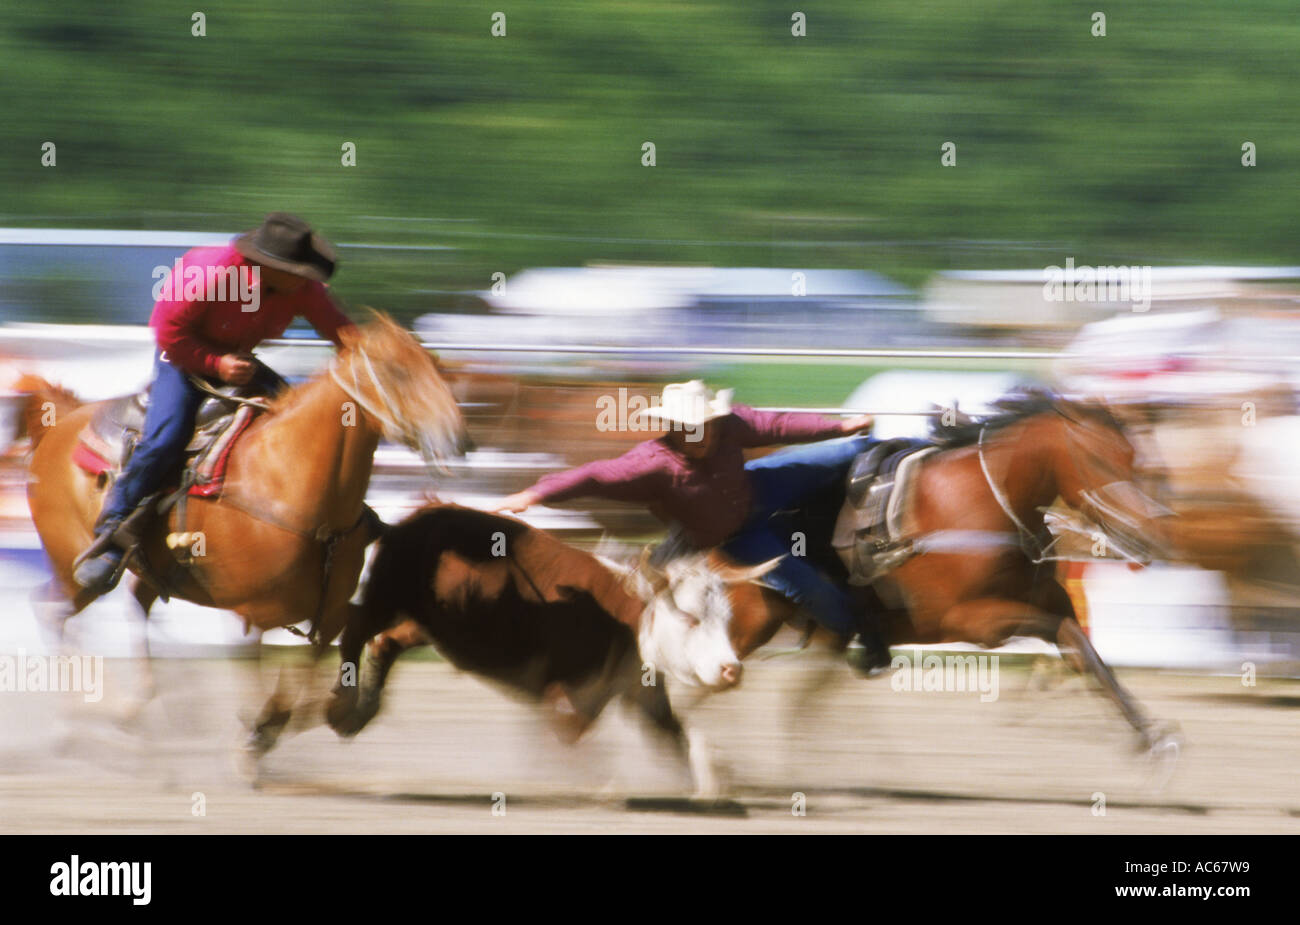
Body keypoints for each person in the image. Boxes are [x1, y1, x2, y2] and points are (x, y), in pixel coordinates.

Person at [495, 380, 890, 670]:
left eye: (706, 426)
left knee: (848, 451)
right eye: (690, 428)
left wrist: (838, 426)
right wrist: (534, 494)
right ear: (673, 428)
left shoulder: (730, 426)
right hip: (736, 537)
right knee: (805, 584)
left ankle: (917, 450)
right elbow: (594, 476)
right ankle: (859, 634)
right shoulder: (651, 464)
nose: (701, 436)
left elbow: (776, 424)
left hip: (760, 485)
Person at [74, 213, 358, 594]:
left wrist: (380, 356)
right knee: (166, 436)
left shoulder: (300, 288)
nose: (308, 281)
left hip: (239, 361)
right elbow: (168, 332)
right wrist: (216, 364)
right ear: (270, 267)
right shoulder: (210, 273)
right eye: (299, 271)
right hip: (182, 357)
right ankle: (112, 527)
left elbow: (339, 329)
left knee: (295, 422)